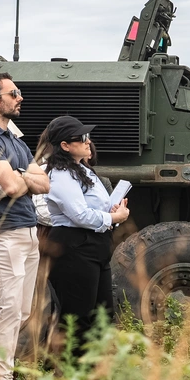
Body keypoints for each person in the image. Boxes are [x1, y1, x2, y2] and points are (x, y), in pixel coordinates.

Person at [0, 72, 50, 380]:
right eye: (14, 93)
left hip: (28, 230)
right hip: (4, 233)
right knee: (8, 306)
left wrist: (22, 177)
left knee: (22, 309)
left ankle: (2, 370)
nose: (20, 98)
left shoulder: (15, 141)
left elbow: (44, 183)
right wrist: (22, 179)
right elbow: (11, 185)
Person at [43, 116, 129, 350]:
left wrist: (112, 210)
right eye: (81, 138)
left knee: (102, 312)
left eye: (87, 136)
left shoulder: (83, 170)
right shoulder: (60, 173)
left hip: (94, 245)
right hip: (74, 246)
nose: (87, 141)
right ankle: (70, 372)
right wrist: (113, 217)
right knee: (77, 315)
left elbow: (92, 209)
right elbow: (78, 214)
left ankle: (91, 369)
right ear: (65, 146)